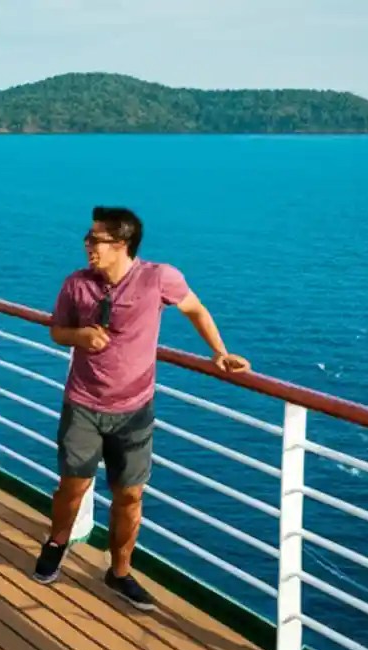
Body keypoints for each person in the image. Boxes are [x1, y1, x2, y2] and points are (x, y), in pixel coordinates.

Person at [32, 207, 250, 612]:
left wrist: (219, 353)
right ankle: (57, 541)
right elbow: (56, 331)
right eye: (89, 236)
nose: (87, 244)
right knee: (72, 486)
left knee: (130, 495)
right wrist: (78, 335)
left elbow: (196, 310)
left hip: (134, 409)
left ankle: (119, 571)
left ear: (121, 245)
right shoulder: (76, 284)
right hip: (83, 402)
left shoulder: (158, 278)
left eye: (96, 239)